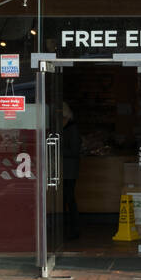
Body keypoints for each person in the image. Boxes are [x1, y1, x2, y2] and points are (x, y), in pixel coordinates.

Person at [60, 102, 81, 238]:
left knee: (69, 199)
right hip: (65, 170)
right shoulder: (66, 128)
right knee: (66, 199)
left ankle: (73, 230)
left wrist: (58, 151)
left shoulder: (71, 129)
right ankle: (69, 229)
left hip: (69, 170)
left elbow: (74, 151)